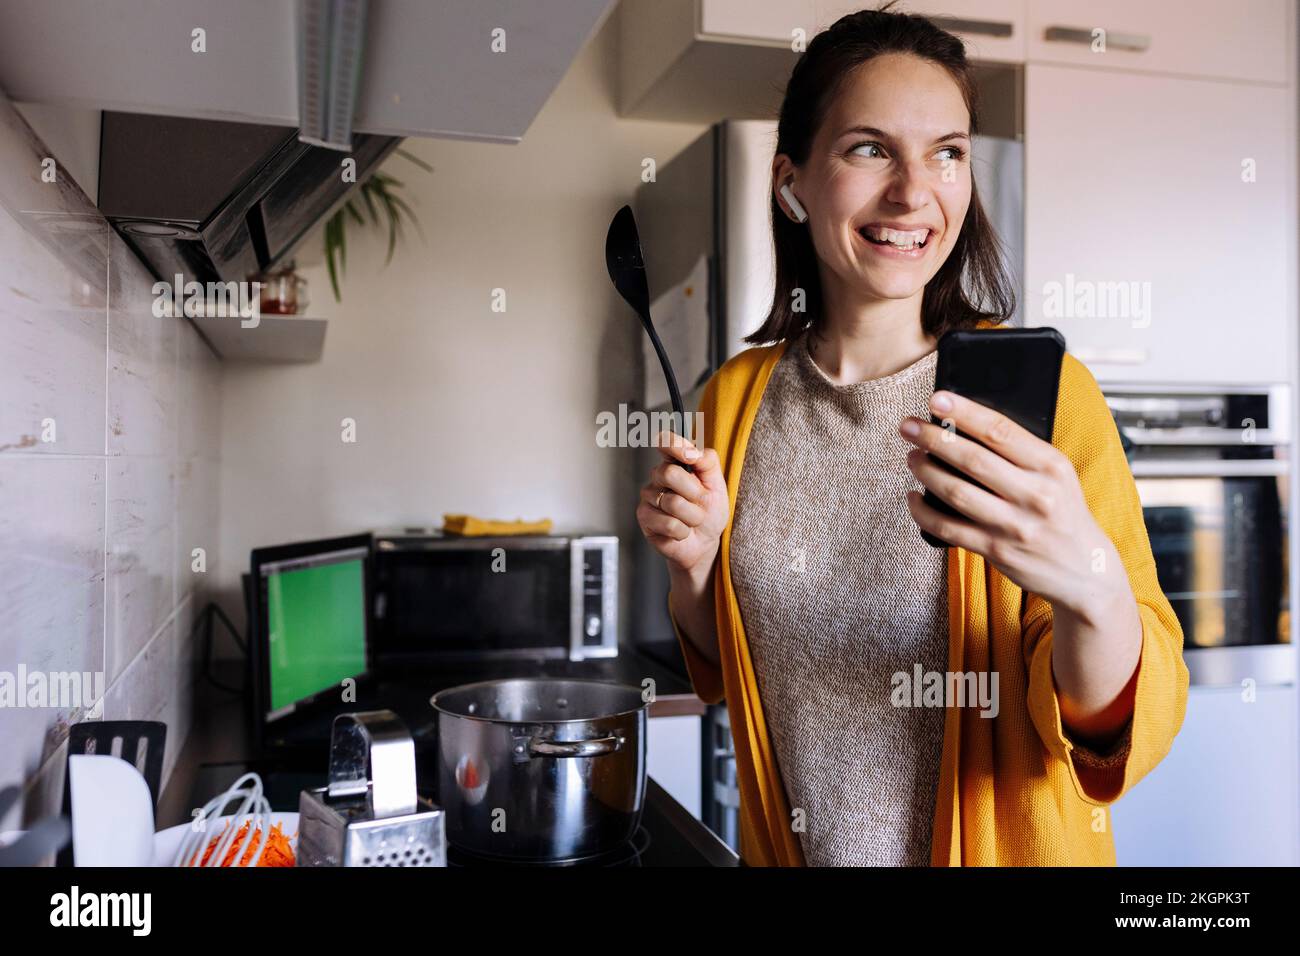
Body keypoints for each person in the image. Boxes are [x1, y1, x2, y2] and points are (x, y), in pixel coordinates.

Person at [635, 5, 1188, 866]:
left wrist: (1090, 584)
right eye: (869, 148)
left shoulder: (1047, 399)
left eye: (948, 152)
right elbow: (727, 662)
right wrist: (694, 568)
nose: (913, 191)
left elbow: (1111, 730)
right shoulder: (731, 403)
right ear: (792, 181)